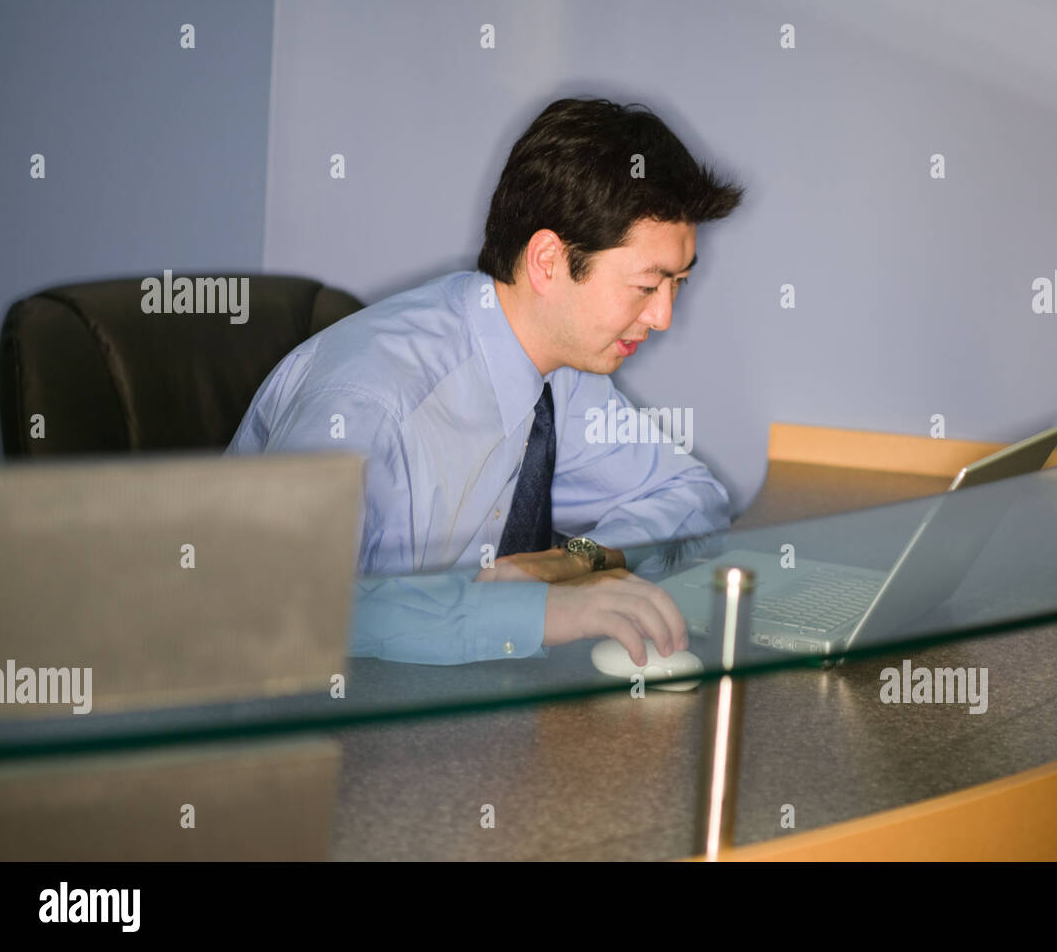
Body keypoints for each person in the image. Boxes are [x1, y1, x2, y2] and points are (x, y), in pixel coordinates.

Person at [227, 97, 745, 666]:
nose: (664, 317)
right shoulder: (368, 402)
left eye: (679, 284)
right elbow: (274, 611)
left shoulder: (562, 368)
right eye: (648, 286)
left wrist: (578, 558)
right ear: (548, 261)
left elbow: (695, 498)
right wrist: (542, 615)